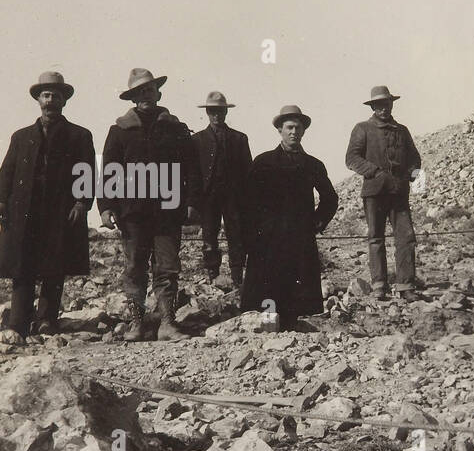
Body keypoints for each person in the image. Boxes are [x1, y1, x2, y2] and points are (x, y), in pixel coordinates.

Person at [0, 71, 95, 339]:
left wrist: (81, 203)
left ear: (64, 102)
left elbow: (87, 173)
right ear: (38, 100)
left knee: (54, 266)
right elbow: (7, 172)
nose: (51, 100)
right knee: (21, 266)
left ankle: (47, 320)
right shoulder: (21, 136)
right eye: (46, 95)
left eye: (56, 96)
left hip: (60, 211)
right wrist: (0, 201)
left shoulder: (79, 136)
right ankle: (18, 322)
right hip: (24, 211)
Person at [99, 68, 202, 341]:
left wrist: (192, 202)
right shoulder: (119, 131)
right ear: (132, 98)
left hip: (168, 209)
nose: (145, 95)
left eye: (149, 90)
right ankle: (136, 323)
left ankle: (168, 323)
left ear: (158, 93)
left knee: (167, 265)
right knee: (134, 266)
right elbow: (109, 170)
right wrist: (106, 207)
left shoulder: (176, 129)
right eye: (139, 92)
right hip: (132, 211)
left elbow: (191, 168)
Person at [240, 106, 338, 331]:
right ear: (279, 130)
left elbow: (330, 199)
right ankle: (267, 331)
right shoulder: (263, 162)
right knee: (267, 289)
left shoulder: (313, 165)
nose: (294, 132)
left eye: (298, 128)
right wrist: (254, 232)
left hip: (299, 238)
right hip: (268, 239)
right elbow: (247, 200)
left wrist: (316, 223)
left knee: (297, 287)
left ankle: (293, 331)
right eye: (289, 127)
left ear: (304, 131)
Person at [344, 85, 423, 301]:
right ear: (373, 107)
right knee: (376, 238)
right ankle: (379, 285)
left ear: (391, 104)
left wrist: (410, 176)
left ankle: (406, 285)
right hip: (374, 192)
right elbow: (351, 158)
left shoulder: (402, 130)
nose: (383, 109)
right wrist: (375, 173)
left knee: (406, 237)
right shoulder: (362, 129)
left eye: (386, 104)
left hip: (399, 192)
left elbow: (416, 159)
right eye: (378, 105)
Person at [192, 90, 251, 289]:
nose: (216, 115)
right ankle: (213, 277)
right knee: (209, 236)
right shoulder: (197, 140)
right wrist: (193, 201)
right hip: (208, 197)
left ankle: (237, 279)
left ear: (226, 113)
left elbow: (248, 172)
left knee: (237, 236)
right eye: (212, 111)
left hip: (234, 197)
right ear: (207, 113)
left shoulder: (239, 139)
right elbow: (192, 174)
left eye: (220, 111)